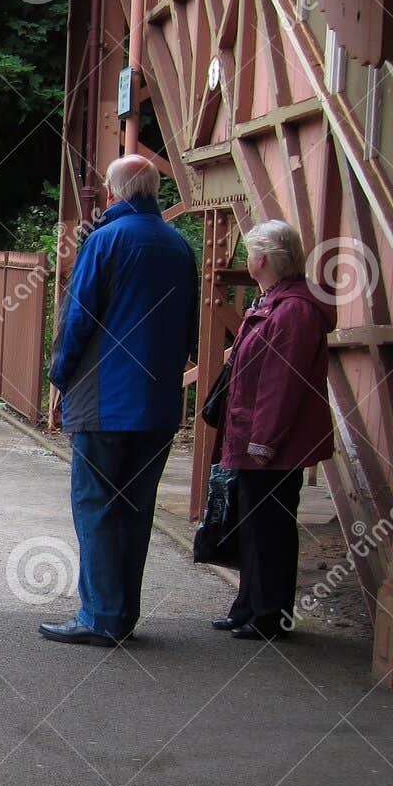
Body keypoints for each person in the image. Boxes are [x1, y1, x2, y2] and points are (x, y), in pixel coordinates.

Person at [41, 154, 199, 646]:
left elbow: (78, 317)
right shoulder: (179, 246)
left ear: (112, 193)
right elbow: (191, 328)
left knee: (97, 506)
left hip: (105, 400)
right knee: (135, 509)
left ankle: (100, 617)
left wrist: (59, 377)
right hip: (156, 404)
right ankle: (122, 613)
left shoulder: (104, 241)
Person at [211, 220, 334, 640]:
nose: (247, 259)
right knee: (256, 523)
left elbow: (281, 383)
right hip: (261, 435)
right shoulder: (281, 303)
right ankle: (251, 606)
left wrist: (263, 440)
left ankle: (268, 614)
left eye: (250, 252)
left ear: (261, 259)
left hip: (270, 440)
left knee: (269, 526)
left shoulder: (292, 310)